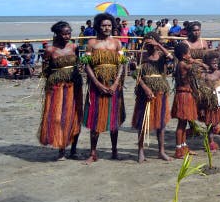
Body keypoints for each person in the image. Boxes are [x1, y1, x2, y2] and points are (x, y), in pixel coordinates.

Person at [83, 13, 125, 163]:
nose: (106, 28)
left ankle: (114, 151)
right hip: (96, 87)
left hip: (114, 86)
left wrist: (115, 83)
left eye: (109, 25)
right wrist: (97, 83)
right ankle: (93, 153)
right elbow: (86, 65)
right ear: (98, 26)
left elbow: (122, 64)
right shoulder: (92, 43)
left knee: (114, 119)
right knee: (95, 119)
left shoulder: (117, 43)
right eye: (103, 25)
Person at [38, 22, 82, 160]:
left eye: (69, 33)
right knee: (59, 117)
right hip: (57, 88)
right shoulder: (50, 50)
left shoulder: (74, 47)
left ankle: (73, 150)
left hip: (74, 86)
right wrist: (54, 81)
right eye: (64, 34)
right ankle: (61, 150)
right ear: (57, 34)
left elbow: (78, 64)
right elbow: (45, 70)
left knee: (74, 117)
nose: (67, 36)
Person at [131, 32, 172, 163]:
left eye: (152, 42)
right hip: (144, 94)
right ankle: (140, 151)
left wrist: (159, 45)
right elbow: (135, 74)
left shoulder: (162, 56)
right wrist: (145, 88)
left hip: (160, 91)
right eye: (147, 43)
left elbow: (171, 58)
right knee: (142, 122)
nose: (150, 45)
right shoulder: (141, 56)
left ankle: (161, 151)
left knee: (161, 122)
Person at [171, 41, 206, 158]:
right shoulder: (182, 65)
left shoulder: (182, 63)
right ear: (183, 55)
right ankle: (178, 150)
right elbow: (195, 68)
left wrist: (194, 61)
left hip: (186, 94)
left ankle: (184, 147)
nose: (190, 55)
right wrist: (202, 64)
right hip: (183, 95)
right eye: (189, 53)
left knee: (184, 123)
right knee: (181, 124)